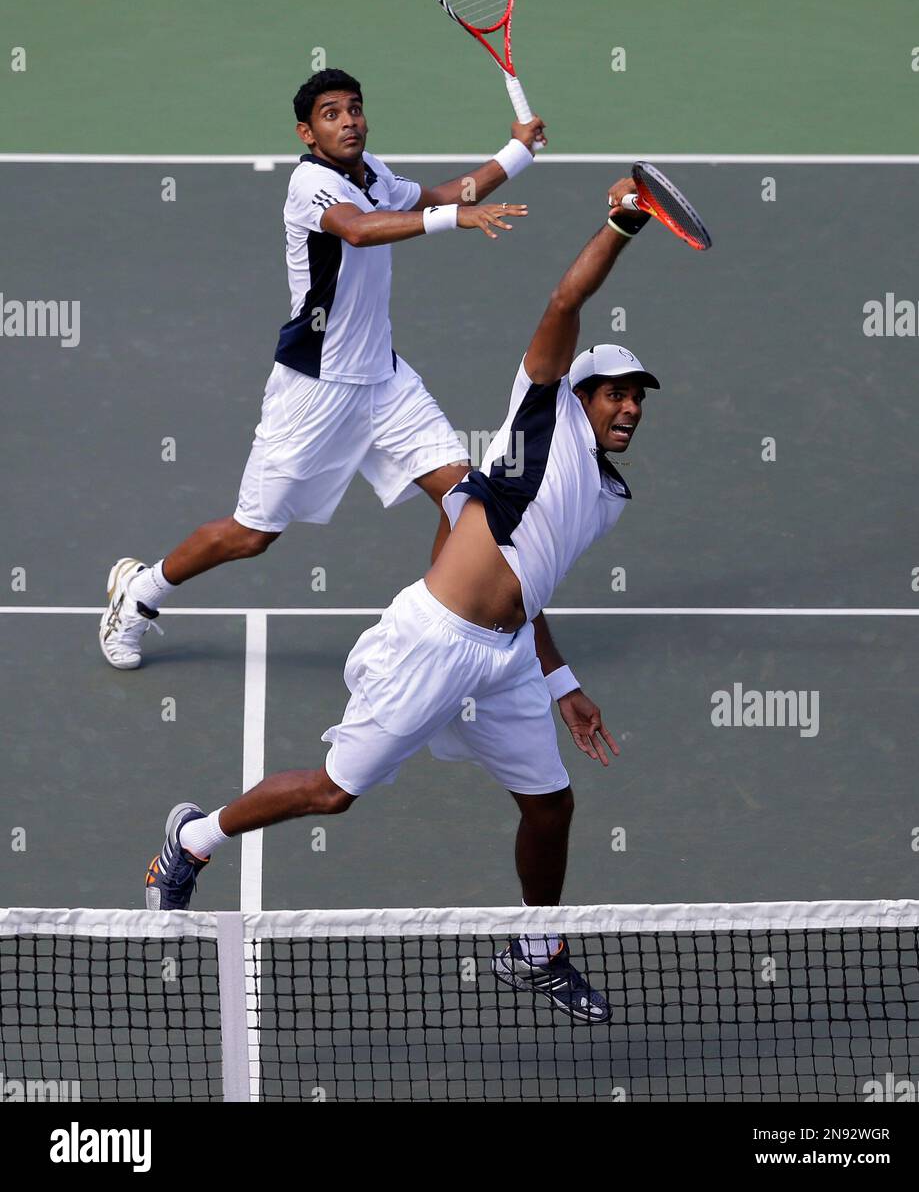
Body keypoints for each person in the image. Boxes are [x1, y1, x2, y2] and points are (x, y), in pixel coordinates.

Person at [145, 175, 658, 1023]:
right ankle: (192, 839)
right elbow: (568, 295)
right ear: (577, 393)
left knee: (552, 804)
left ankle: (537, 949)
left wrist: (561, 683)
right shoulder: (544, 414)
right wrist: (622, 224)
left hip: (504, 659)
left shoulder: (605, 496)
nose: (630, 407)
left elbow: (524, 582)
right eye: (615, 392)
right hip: (432, 644)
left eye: (639, 397)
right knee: (333, 794)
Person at [99, 67, 544, 669]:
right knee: (252, 534)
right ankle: (141, 592)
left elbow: (443, 196)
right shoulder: (309, 185)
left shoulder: (375, 174)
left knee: (466, 499)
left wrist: (515, 151)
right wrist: (452, 220)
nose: (349, 120)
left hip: (383, 382)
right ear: (307, 134)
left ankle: (432, 633)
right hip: (314, 389)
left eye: (355, 108)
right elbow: (359, 232)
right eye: (332, 114)